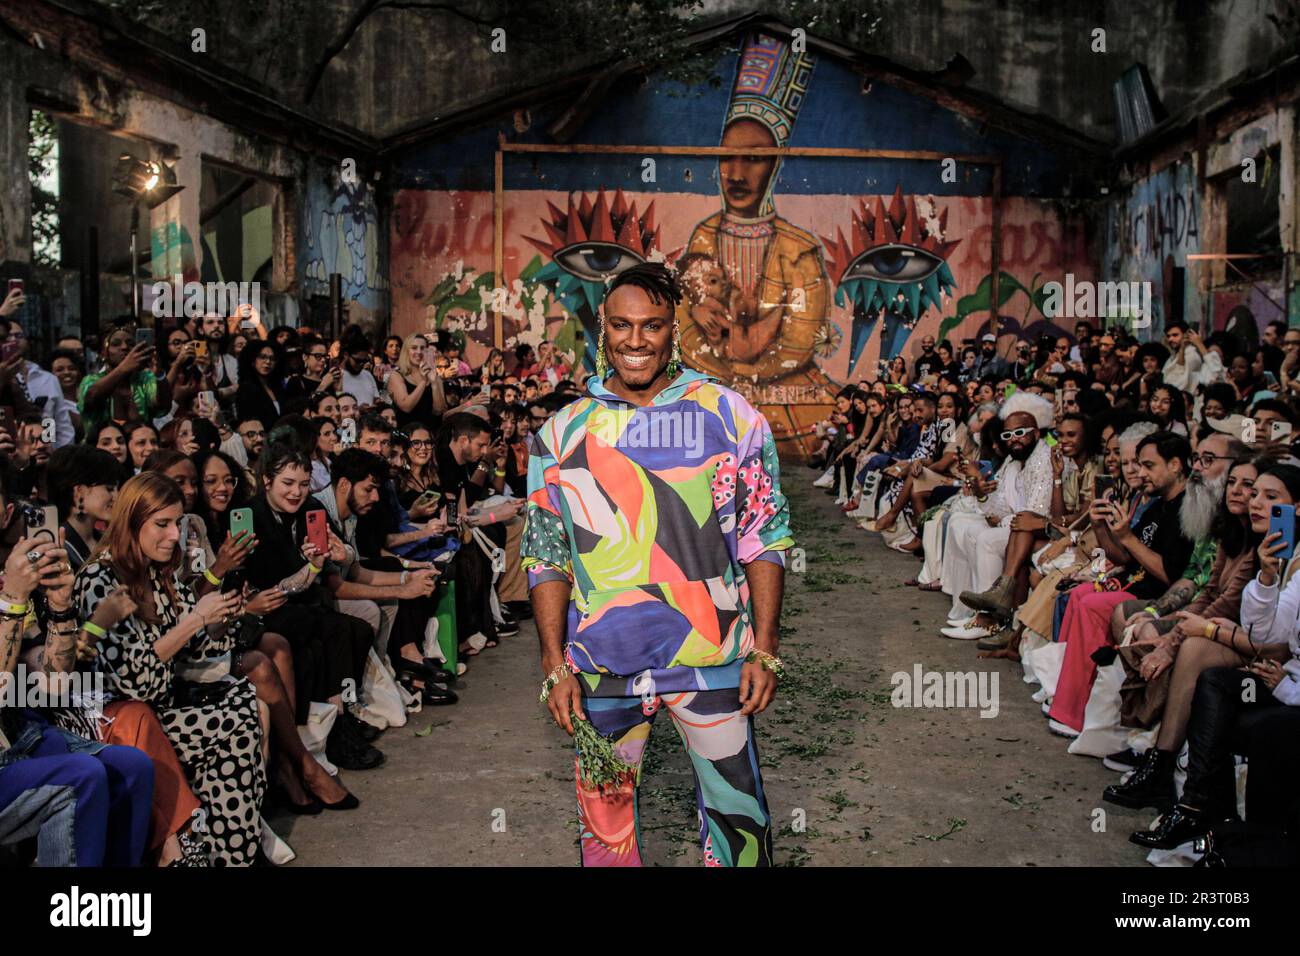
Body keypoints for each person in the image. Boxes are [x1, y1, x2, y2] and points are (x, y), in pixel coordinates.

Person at [524, 262, 792, 866]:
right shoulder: (562, 433)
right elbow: (546, 554)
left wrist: (764, 647)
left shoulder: (729, 417)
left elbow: (764, 536)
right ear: (602, 328)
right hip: (601, 665)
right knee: (605, 821)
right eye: (622, 325)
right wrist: (552, 664)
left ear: (675, 330)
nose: (636, 340)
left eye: (652, 326)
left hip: (712, 657)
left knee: (738, 813)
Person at [73, 472, 266, 865]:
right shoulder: (99, 581)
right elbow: (134, 681)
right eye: (161, 524)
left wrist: (219, 618)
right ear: (131, 522)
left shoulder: (154, 571)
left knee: (244, 705)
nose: (174, 535)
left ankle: (228, 850)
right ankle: (226, 851)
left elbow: (188, 648)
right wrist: (195, 619)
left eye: (176, 524)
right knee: (235, 721)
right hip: (115, 717)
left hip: (166, 702)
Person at [240, 444, 383, 772]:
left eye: (303, 484)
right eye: (287, 483)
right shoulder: (255, 517)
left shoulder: (310, 510)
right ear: (267, 481)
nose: (296, 492)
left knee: (356, 628)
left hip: (300, 604)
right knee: (332, 629)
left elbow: (327, 566)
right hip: (266, 610)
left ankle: (344, 713)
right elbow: (275, 586)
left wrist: (330, 557)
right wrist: (312, 568)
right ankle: (336, 732)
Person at [1047, 431, 1197, 734]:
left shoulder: (1188, 509)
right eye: (1138, 465)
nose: (1140, 473)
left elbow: (1169, 574)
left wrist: (1127, 537)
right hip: (1130, 583)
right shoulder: (1157, 503)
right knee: (1078, 595)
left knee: (1091, 604)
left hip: (1152, 597)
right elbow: (1125, 558)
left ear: (1176, 465)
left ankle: (1075, 711)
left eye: (1148, 465)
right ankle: (1064, 694)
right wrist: (1101, 527)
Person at [48, 444, 126, 571]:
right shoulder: (58, 550)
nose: (117, 496)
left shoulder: (105, 540)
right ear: (79, 493)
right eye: (109, 489)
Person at [77, 323, 170, 429]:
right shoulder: (91, 380)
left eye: (130, 343)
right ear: (103, 353)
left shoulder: (145, 378)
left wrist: (160, 374)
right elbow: (91, 397)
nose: (125, 347)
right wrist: (124, 368)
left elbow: (163, 407)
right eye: (116, 344)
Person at [235, 340, 285, 434]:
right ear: (252, 360)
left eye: (272, 358)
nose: (268, 362)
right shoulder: (246, 389)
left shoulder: (277, 388)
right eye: (262, 357)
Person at [339, 330, 380, 409]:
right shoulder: (336, 377)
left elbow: (376, 399)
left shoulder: (367, 375)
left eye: (364, 361)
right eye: (358, 361)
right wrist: (358, 410)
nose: (361, 364)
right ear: (345, 355)